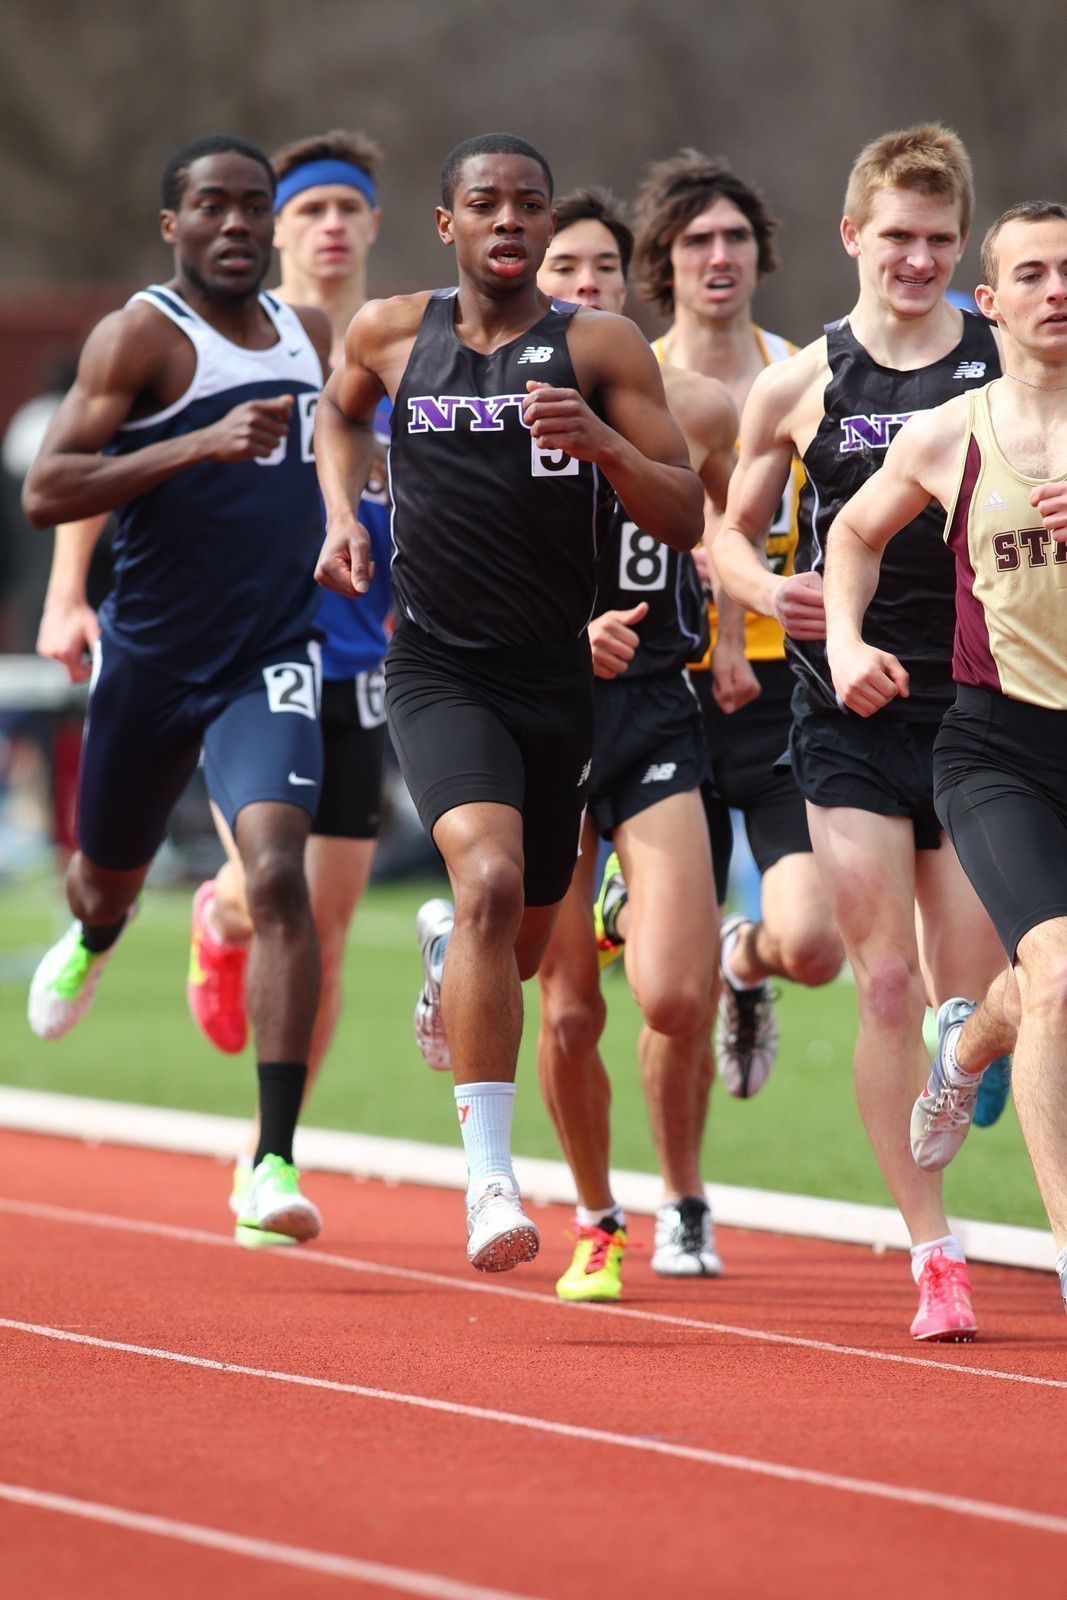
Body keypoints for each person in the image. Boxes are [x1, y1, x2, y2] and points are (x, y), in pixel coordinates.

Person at [313, 133, 704, 1274]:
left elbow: (684, 512)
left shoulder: (598, 345)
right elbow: (339, 413)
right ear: (447, 223)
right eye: (485, 203)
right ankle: (490, 1180)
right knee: (485, 879)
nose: (510, 222)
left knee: (521, 944)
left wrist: (602, 444)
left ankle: (452, 953)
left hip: (556, 677)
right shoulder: (391, 331)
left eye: (529, 205)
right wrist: (342, 514)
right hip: (438, 667)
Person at [712, 123, 1007, 1342]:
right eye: (895, 236)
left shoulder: (1003, 362)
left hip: (983, 707)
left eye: (937, 239)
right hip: (845, 705)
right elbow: (725, 532)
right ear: (851, 235)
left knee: (969, 1000)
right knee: (882, 979)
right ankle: (932, 1253)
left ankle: (968, 1056)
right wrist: (762, 592)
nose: (916, 259)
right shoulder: (799, 383)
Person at [22, 134, 332, 1245]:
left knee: (280, 872)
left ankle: (271, 1159)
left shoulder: (310, 334)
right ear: (174, 225)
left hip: (271, 656)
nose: (236, 223)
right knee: (101, 882)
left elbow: (348, 457)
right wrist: (197, 445)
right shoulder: (140, 334)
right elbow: (49, 487)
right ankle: (96, 939)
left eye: (253, 205)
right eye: (212, 206)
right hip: (151, 664)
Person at [822, 199, 1067, 1319]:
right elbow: (850, 532)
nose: (1056, 289)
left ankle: (963, 1048)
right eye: (1033, 273)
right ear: (990, 300)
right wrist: (841, 637)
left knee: (1036, 986)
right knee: (1057, 974)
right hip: (996, 744)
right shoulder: (943, 432)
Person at [179, 130, 395, 1238]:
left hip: (361, 671)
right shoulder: (238, 346)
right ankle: (220, 911)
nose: (330, 227)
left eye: (347, 208)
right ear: (275, 229)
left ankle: (269, 1154)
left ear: (374, 224)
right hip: (256, 659)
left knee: (327, 929)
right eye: (308, 209)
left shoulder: (406, 354)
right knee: (271, 885)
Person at [531, 189, 736, 1298]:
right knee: (569, 1010)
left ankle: (684, 1194)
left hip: (656, 704)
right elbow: (449, 568)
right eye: (563, 267)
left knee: (672, 997)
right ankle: (597, 1217)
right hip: (544, 710)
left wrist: (732, 631)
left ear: (629, 280)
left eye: (602, 267)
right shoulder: (490, 409)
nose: (585, 284)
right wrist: (566, 634)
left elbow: (724, 522)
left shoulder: (692, 404)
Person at [624, 149, 845, 1097]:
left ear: (760, 253)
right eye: (696, 240)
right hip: (659, 688)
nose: (719, 256)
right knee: (662, 994)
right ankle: (679, 1184)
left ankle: (742, 957)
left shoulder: (803, 375)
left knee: (814, 944)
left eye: (736, 237)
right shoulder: (630, 379)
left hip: (783, 683)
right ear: (662, 262)